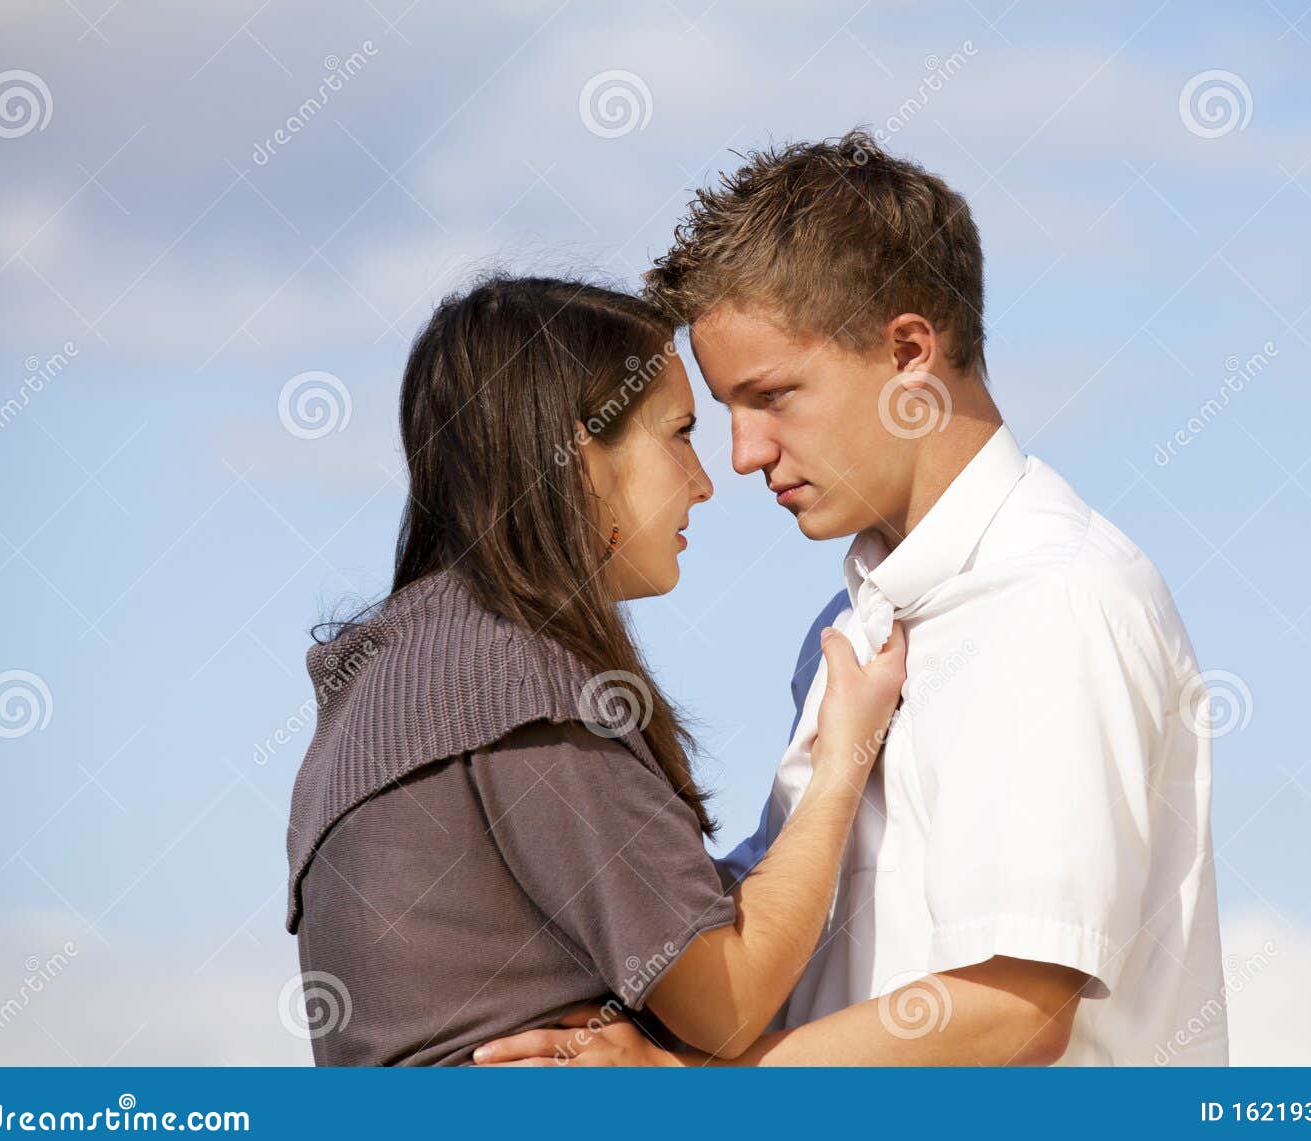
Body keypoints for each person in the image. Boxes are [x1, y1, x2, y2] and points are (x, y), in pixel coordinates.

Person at [474, 131, 1228, 1066]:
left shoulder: (1056, 598)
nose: (743, 454)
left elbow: (1017, 1011)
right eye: (724, 410)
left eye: (774, 395)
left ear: (910, 350)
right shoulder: (851, 625)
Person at [284, 274, 907, 1065]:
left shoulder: (390, 676)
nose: (706, 479)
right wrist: (842, 757)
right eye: (679, 433)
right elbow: (728, 999)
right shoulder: (513, 684)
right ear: (580, 454)